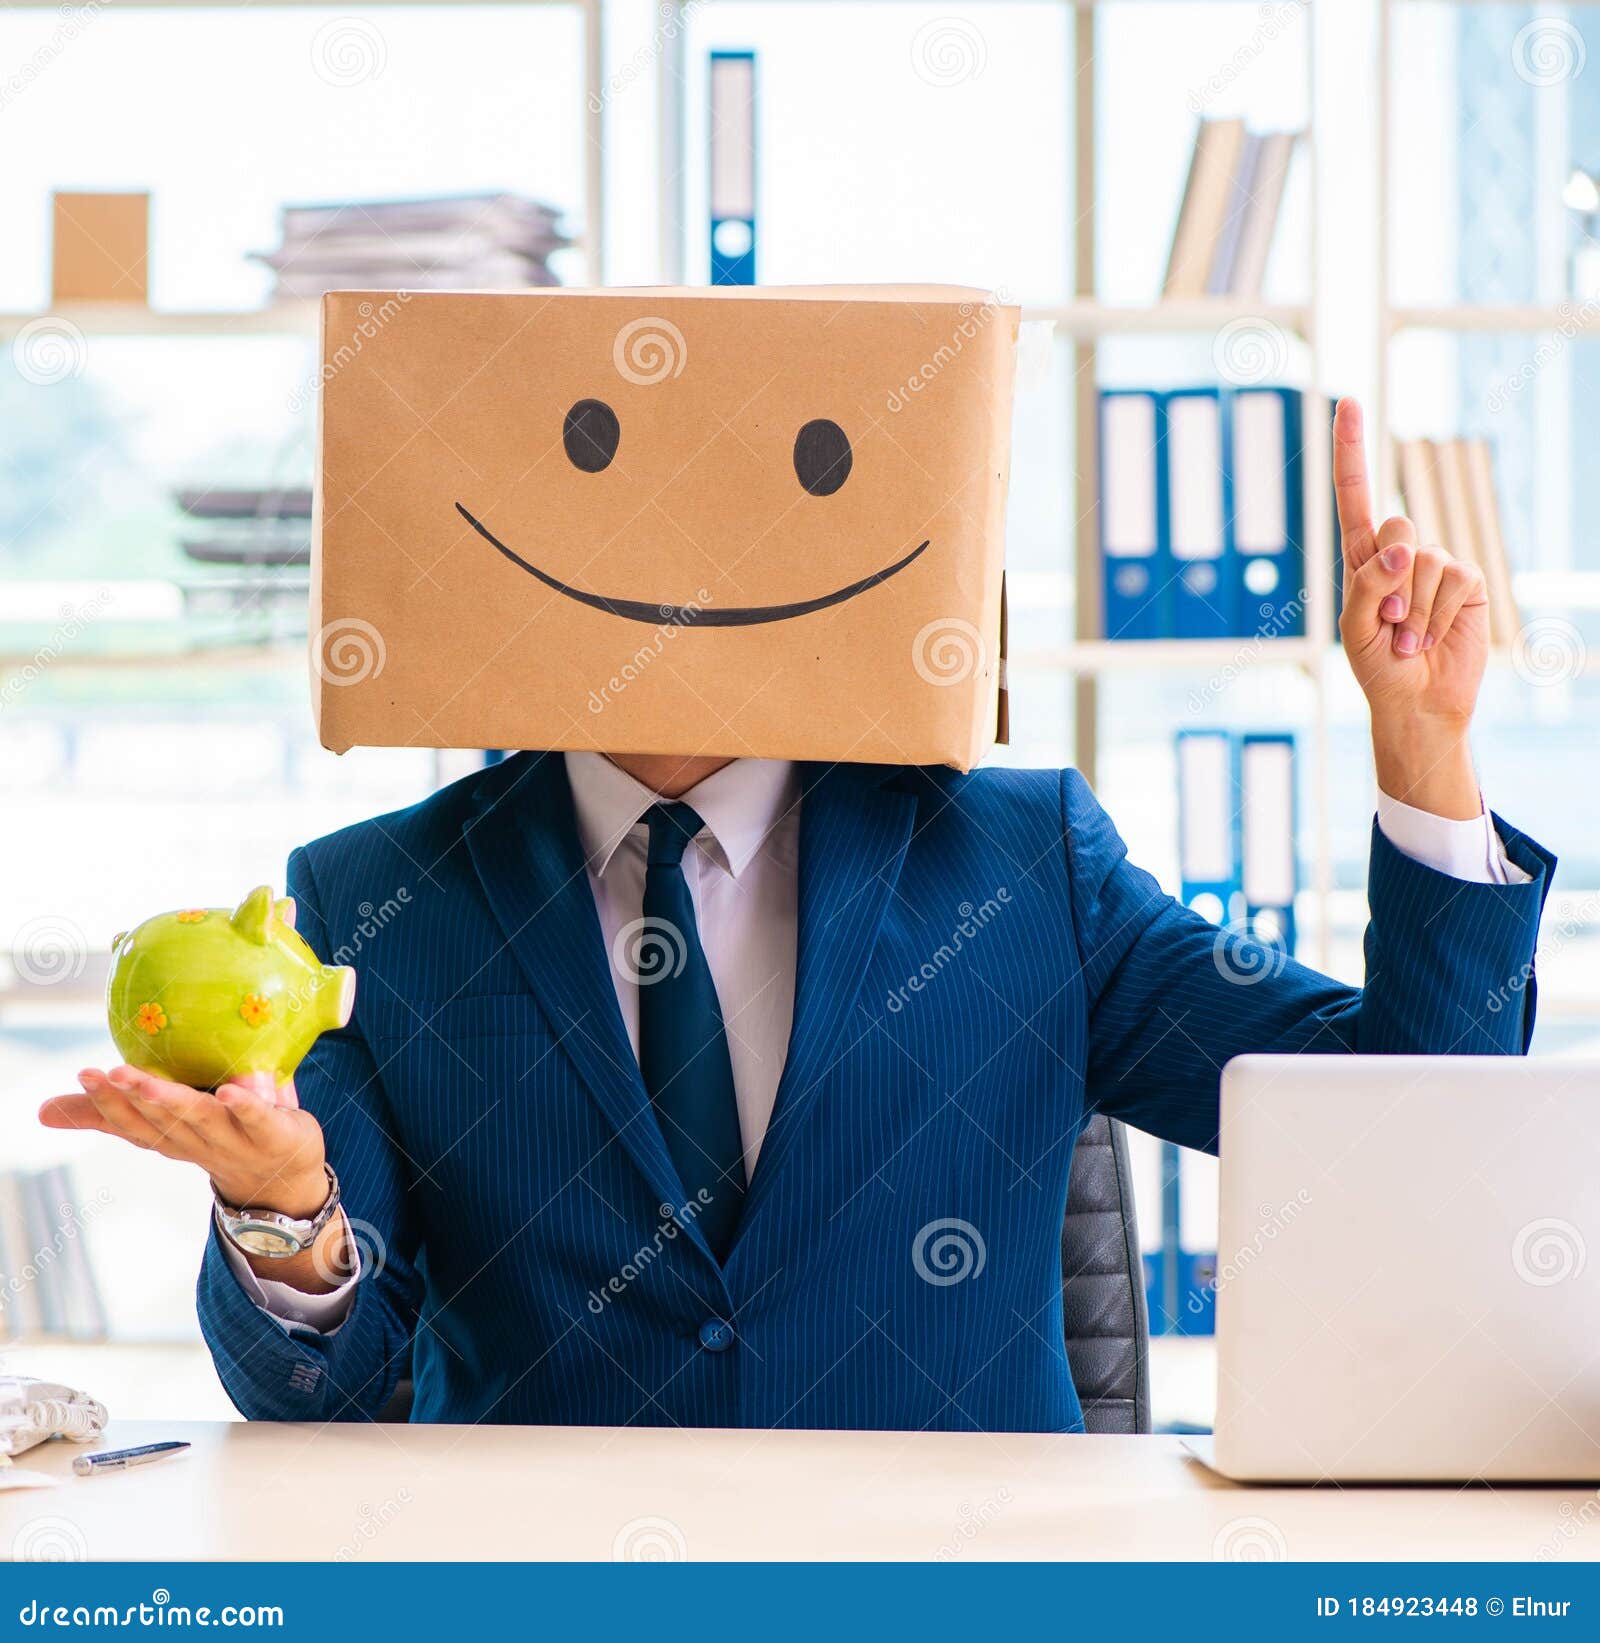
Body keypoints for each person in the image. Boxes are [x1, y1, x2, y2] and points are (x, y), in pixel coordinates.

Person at [42, 401, 1552, 1430]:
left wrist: (1424, 752)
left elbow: (1408, 1121)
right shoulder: (373, 897)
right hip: (547, 1595)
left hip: (961, 1590)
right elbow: (315, 1391)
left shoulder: (1023, 860)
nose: (664, 573)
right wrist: (284, 1212)